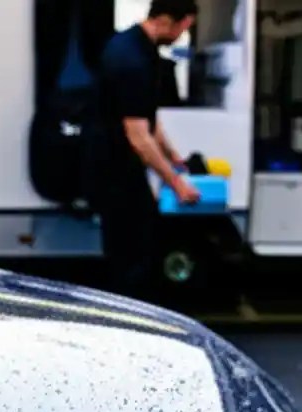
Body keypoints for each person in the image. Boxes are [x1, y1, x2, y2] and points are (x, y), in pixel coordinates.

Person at [92, 0, 199, 300]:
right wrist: (176, 183)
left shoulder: (141, 50)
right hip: (115, 169)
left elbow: (149, 119)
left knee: (138, 244)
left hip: (123, 167)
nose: (181, 36)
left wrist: (174, 157)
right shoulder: (131, 59)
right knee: (131, 253)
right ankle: (128, 318)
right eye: (183, 28)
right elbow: (138, 136)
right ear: (166, 20)